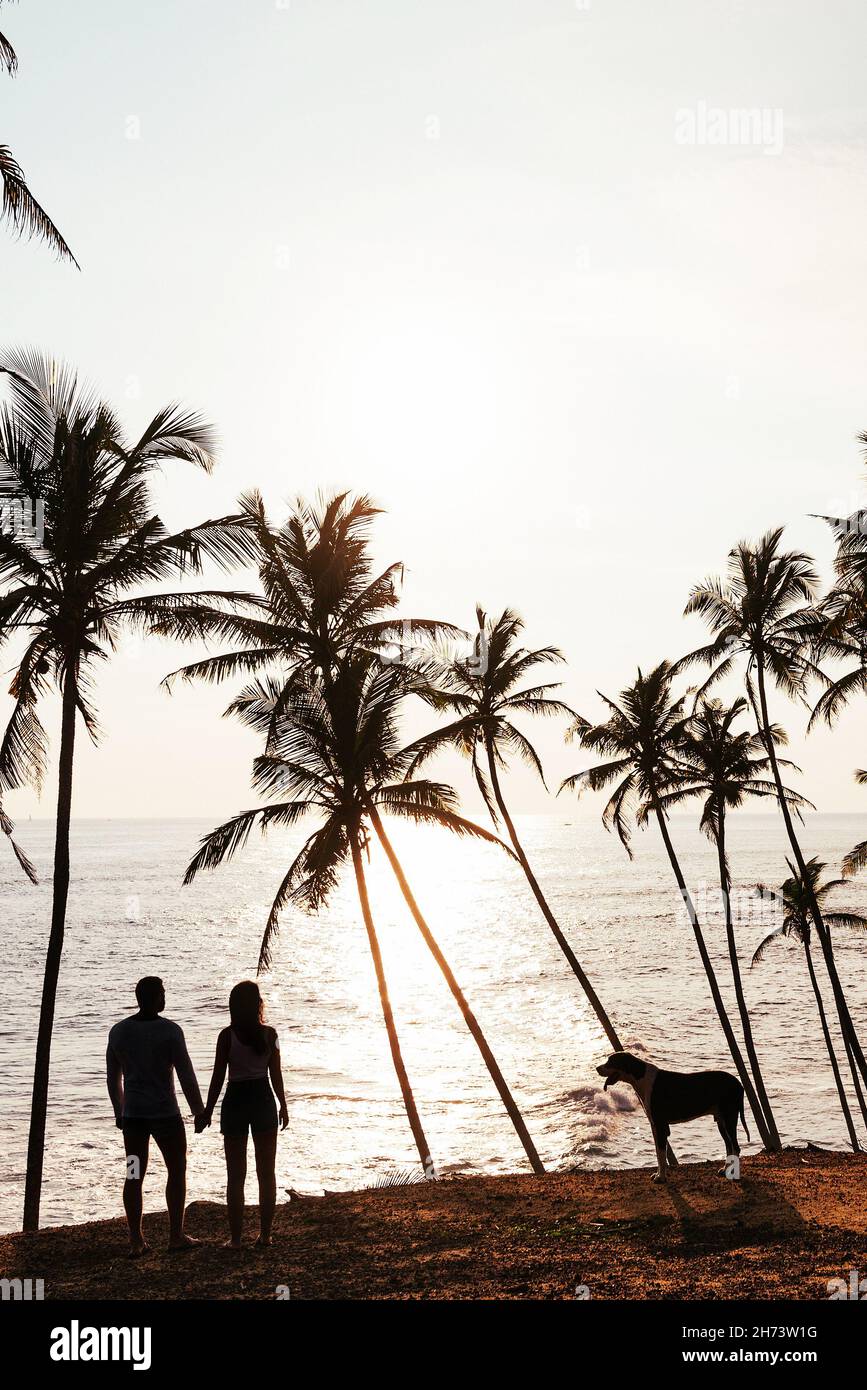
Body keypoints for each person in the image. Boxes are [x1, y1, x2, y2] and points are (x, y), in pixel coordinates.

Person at [106, 976, 205, 1255]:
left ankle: (136, 1240)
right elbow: (186, 1074)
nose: (165, 998)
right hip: (165, 1117)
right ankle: (175, 1235)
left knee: (133, 1173)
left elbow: (113, 1079)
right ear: (153, 998)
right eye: (162, 993)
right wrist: (198, 1110)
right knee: (176, 1170)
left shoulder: (119, 1032)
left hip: (134, 1118)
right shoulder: (170, 1031)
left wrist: (119, 1111)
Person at [197, 980, 288, 1249]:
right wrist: (283, 1104)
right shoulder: (270, 1034)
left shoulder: (226, 1036)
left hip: (236, 1099)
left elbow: (217, 1078)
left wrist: (208, 1111)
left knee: (235, 1174)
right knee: (266, 1172)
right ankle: (266, 1235)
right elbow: (276, 1075)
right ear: (258, 1003)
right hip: (262, 1098)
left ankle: (236, 1239)